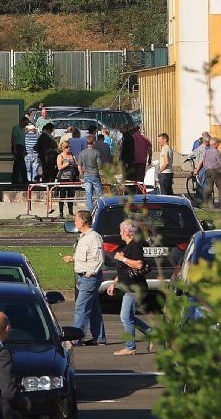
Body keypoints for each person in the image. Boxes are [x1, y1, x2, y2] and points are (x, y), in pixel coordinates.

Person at [105, 220, 152, 356]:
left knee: (125, 317)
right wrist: (114, 283)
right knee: (129, 317)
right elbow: (124, 270)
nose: (120, 233)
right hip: (129, 287)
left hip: (134, 288)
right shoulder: (128, 246)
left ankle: (130, 347)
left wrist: (122, 259)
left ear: (126, 232)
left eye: (121, 230)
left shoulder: (135, 246)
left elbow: (139, 265)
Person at [61, 210, 106, 346]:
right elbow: (86, 255)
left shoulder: (94, 237)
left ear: (83, 222)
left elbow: (98, 259)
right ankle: (99, 338)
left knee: (80, 308)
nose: (74, 222)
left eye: (76, 220)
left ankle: (76, 338)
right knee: (93, 309)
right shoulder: (83, 237)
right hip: (83, 277)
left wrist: (89, 274)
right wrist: (73, 258)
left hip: (89, 278)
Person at [196, 134, 221, 208]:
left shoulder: (206, 151)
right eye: (218, 144)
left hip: (208, 171)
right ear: (215, 144)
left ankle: (207, 203)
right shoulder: (217, 152)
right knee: (220, 188)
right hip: (216, 171)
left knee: (208, 188)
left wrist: (207, 168)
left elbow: (204, 162)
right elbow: (220, 163)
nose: (218, 145)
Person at [78, 131, 104, 212]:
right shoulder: (96, 152)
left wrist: (82, 174)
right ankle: (99, 210)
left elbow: (79, 166)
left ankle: (90, 210)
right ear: (94, 142)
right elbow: (100, 165)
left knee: (88, 194)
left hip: (86, 175)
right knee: (99, 194)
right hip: (95, 174)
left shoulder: (82, 153)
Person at [54, 143, 80, 214]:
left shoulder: (72, 155)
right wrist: (67, 164)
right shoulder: (60, 156)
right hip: (63, 178)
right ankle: (61, 213)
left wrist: (75, 164)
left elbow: (77, 164)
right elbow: (59, 167)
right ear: (63, 148)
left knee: (71, 195)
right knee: (62, 196)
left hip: (71, 178)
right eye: (66, 147)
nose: (68, 148)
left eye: (69, 147)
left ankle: (70, 212)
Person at [36, 123, 59, 188]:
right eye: (52, 130)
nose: (52, 131)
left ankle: (44, 180)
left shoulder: (43, 136)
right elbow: (46, 149)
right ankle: (47, 183)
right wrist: (54, 151)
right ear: (49, 129)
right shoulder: (46, 137)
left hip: (46, 156)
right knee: (48, 171)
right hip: (48, 157)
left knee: (46, 171)